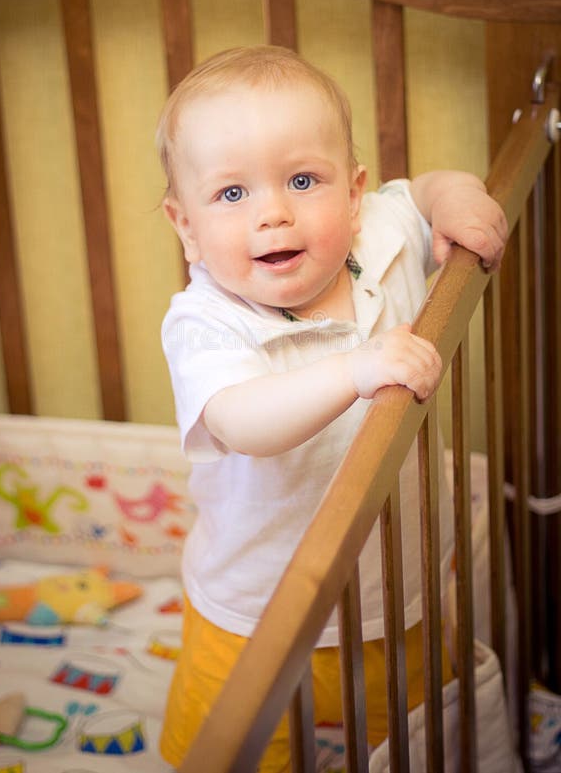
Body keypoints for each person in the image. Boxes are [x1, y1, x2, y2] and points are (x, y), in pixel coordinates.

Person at [156, 45, 507, 771]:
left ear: (353, 194)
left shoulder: (378, 237)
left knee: (425, 737)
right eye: (231, 194)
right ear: (185, 226)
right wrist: (355, 370)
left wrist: (457, 199)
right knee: (233, 751)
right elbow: (242, 421)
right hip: (252, 613)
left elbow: (423, 192)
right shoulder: (205, 322)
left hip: (396, 599)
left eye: (302, 180)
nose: (273, 214)